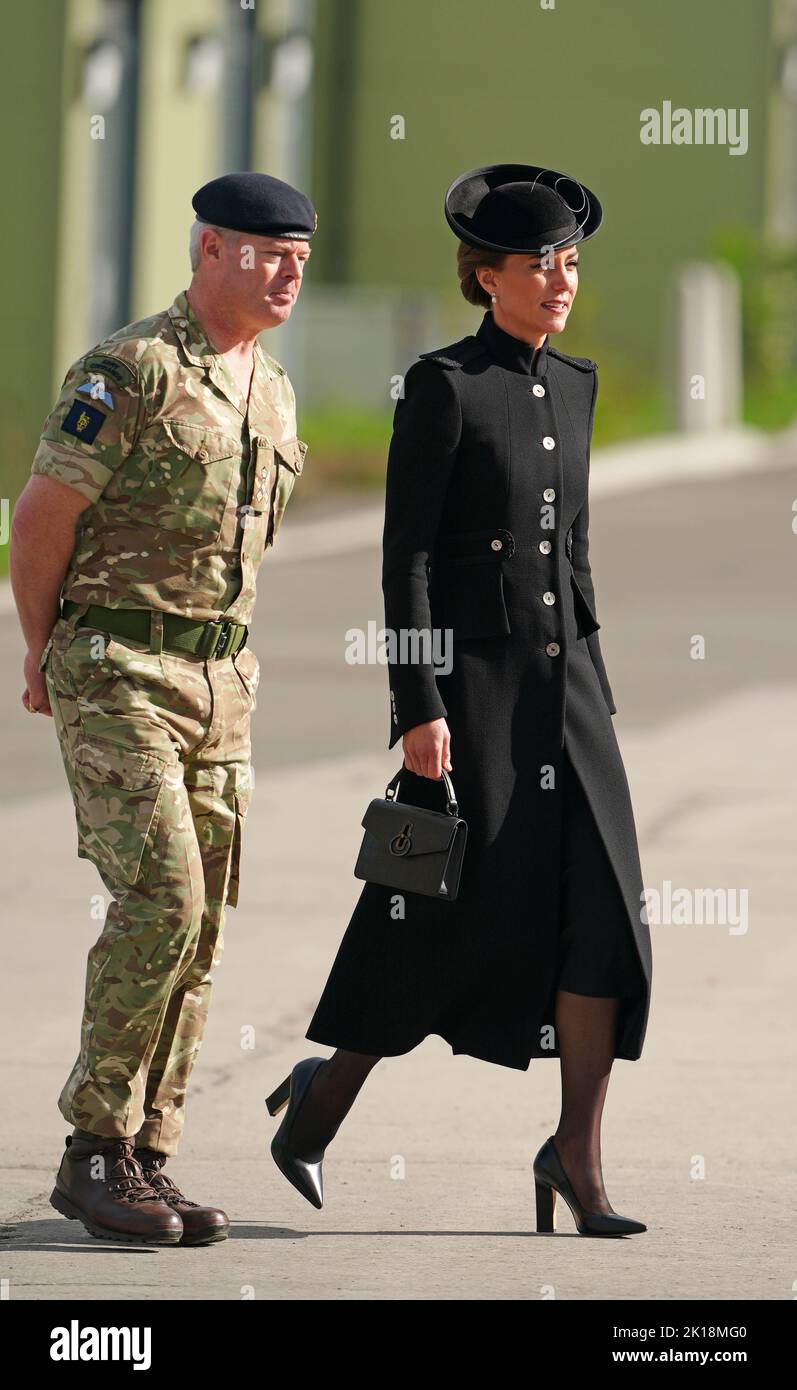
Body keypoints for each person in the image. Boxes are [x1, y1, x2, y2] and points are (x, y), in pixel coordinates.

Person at [266, 164, 653, 1237]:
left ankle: (574, 1151)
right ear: (486, 278)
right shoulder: (438, 385)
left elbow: (571, 550)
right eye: (538, 266)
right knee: (433, 908)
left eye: (569, 262)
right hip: (471, 692)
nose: (559, 281)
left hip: (568, 691)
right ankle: (317, 1099)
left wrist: (595, 694)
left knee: (606, 916)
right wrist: (418, 703)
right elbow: (408, 565)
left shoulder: (572, 384)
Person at [10, 171, 315, 1246]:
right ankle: (92, 1148)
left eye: (300, 259)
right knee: (163, 900)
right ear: (210, 250)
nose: (288, 272)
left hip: (220, 683)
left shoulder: (269, 388)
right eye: (269, 252)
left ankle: (146, 1152)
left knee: (204, 927)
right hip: (119, 663)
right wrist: (46, 650)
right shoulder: (130, 368)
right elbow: (43, 514)